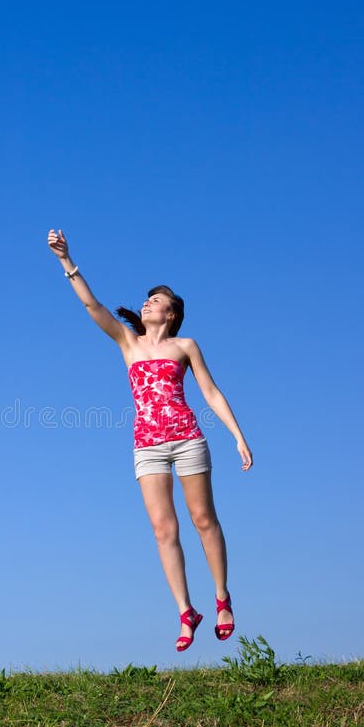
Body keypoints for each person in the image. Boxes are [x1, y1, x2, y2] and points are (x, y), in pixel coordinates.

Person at [46, 229, 253, 651]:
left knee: (203, 520)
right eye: (147, 299)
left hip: (187, 438)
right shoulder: (128, 341)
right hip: (148, 445)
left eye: (156, 300)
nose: (147, 303)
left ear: (172, 313)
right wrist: (67, 260)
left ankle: (222, 598)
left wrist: (238, 436)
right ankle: (185, 611)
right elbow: (91, 304)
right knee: (163, 529)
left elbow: (211, 392)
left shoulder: (185, 345)